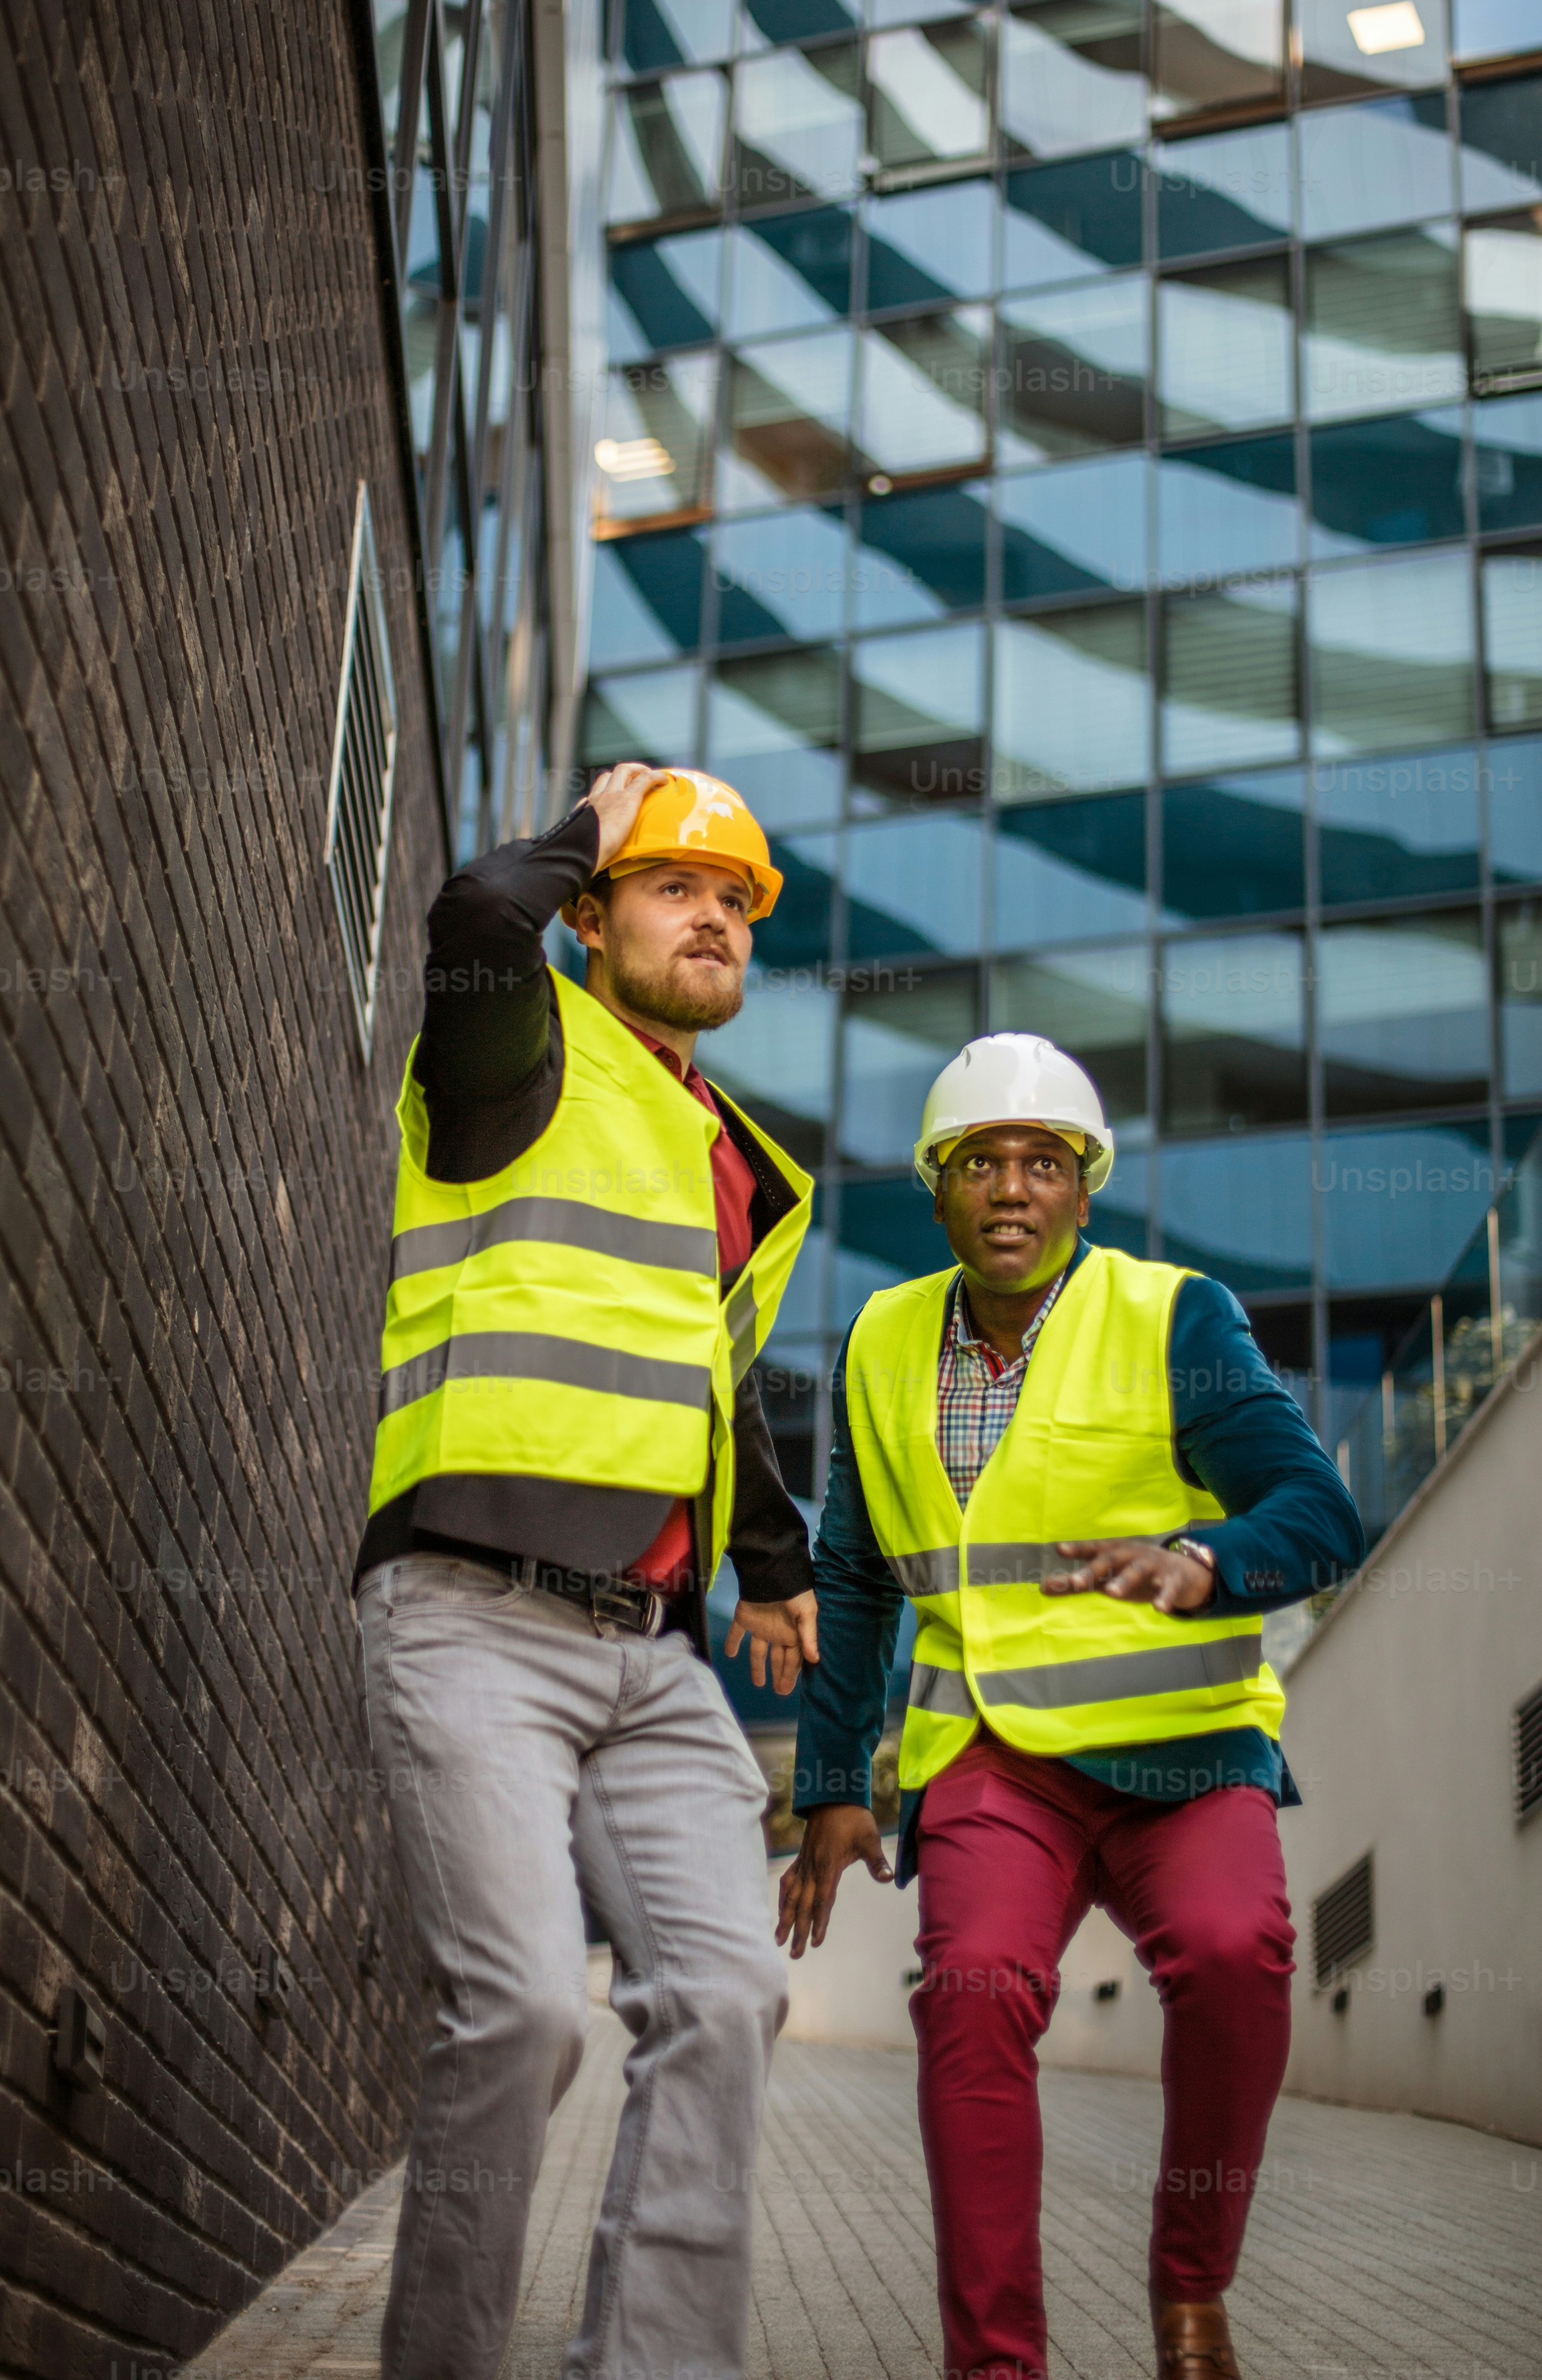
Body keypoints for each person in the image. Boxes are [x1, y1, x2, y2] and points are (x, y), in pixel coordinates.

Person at [776, 1031, 1365, 2380]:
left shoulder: (1175, 1316)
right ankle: (997, 2363)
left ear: (1085, 1188)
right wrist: (829, 1791)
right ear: (939, 1188)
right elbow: (857, 1575)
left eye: (1044, 1160)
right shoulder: (879, 1339)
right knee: (972, 1992)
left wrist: (1209, 1557)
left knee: (1235, 1953)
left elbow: (1322, 1511)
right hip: (994, 1757)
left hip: (1184, 1753)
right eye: (981, 1160)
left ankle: (1190, 2290)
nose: (1011, 1187)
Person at [355, 762, 819, 2380]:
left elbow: (706, 1382)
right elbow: (478, 910)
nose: (713, 916)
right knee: (527, 2012)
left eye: (737, 899)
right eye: (674, 882)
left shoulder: (733, 1156)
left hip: (654, 1655)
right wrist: (586, 824)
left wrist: (771, 1562)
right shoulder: (519, 1046)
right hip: (472, 1611)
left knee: (726, 1994)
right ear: (599, 906)